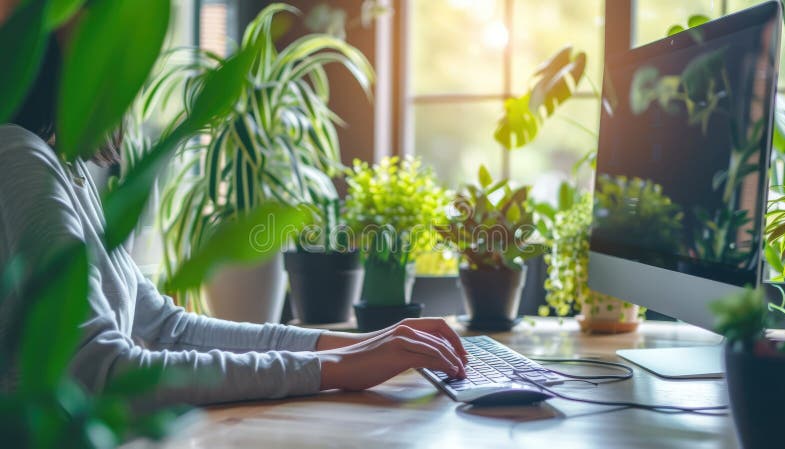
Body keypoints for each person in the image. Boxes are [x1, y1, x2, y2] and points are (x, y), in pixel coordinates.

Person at [0, 1, 467, 406]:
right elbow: (102, 373)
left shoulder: (65, 165)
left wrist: (360, 345)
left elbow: (166, 327)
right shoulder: (18, 156)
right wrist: (336, 368)